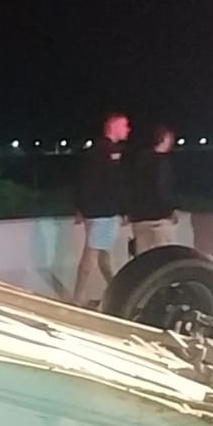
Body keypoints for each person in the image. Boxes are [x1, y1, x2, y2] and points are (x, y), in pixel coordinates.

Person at [71, 111, 131, 306]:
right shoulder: (110, 152)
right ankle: (78, 297)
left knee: (103, 256)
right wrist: (123, 209)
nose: (128, 129)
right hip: (104, 211)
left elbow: (82, 180)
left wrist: (80, 207)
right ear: (113, 127)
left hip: (94, 210)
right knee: (92, 254)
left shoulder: (94, 150)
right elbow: (114, 184)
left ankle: (117, 293)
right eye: (124, 125)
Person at [128, 124, 180, 251]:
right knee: (164, 255)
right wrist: (170, 210)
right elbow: (163, 189)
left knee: (143, 256)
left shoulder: (138, 161)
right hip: (159, 219)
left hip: (139, 217)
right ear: (165, 139)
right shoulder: (162, 163)